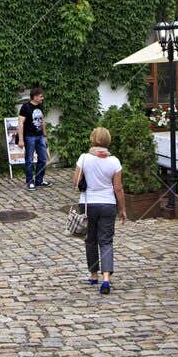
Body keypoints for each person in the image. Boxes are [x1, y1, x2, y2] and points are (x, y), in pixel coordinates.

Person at [73, 126, 126, 294]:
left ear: (92, 139)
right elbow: (118, 188)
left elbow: (75, 182)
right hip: (108, 205)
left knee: (90, 240)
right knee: (106, 241)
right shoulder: (114, 161)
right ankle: (106, 279)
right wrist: (122, 208)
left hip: (88, 204)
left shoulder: (84, 158)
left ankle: (93, 274)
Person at [19, 85, 49, 190]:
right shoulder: (25, 107)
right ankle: (30, 182)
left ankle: (39, 180)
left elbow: (42, 121)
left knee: (43, 159)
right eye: (41, 96)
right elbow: (21, 123)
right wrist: (21, 139)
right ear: (35, 97)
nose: (42, 98)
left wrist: (45, 135)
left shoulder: (40, 106)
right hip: (29, 137)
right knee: (29, 160)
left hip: (40, 136)